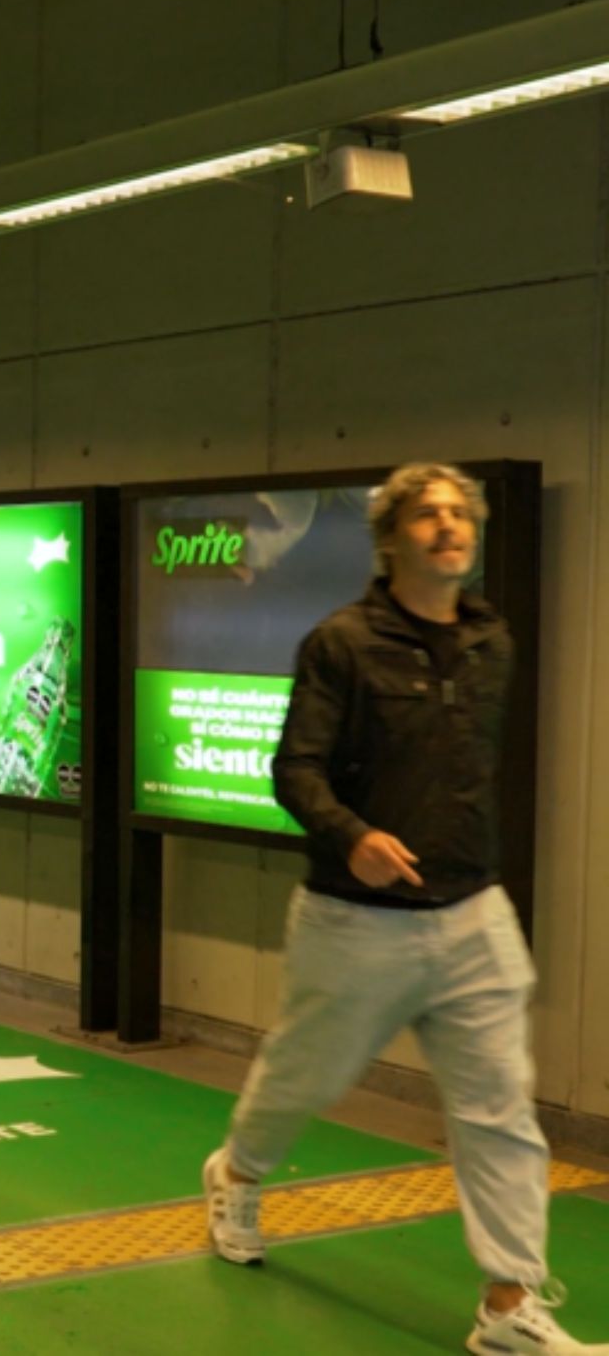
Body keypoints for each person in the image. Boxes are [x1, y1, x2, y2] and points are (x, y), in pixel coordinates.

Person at [202, 464, 605, 1356]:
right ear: (391, 538)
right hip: (356, 919)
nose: (449, 526)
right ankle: (237, 1172)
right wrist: (352, 835)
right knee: (304, 1077)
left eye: (460, 513)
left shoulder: (492, 641)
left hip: (473, 912)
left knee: (500, 1110)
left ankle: (508, 1307)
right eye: (427, 514)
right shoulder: (341, 643)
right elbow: (295, 769)